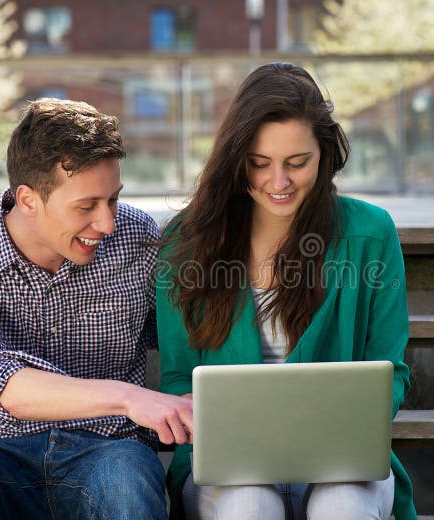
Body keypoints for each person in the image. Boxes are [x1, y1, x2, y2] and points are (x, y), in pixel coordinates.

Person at [156, 62, 416, 520]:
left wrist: (354, 421)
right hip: (230, 470)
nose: (279, 183)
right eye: (260, 164)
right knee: (248, 506)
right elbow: (177, 378)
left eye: (297, 163)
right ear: (236, 159)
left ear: (325, 155)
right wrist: (205, 416)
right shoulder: (187, 243)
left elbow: (391, 372)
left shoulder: (371, 234)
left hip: (341, 464)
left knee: (343, 505)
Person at [0, 98, 193, 519]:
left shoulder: (136, 237)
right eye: (86, 207)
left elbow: (179, 336)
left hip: (109, 451)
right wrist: (130, 398)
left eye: (113, 200)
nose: (107, 224)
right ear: (27, 199)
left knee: (129, 476)